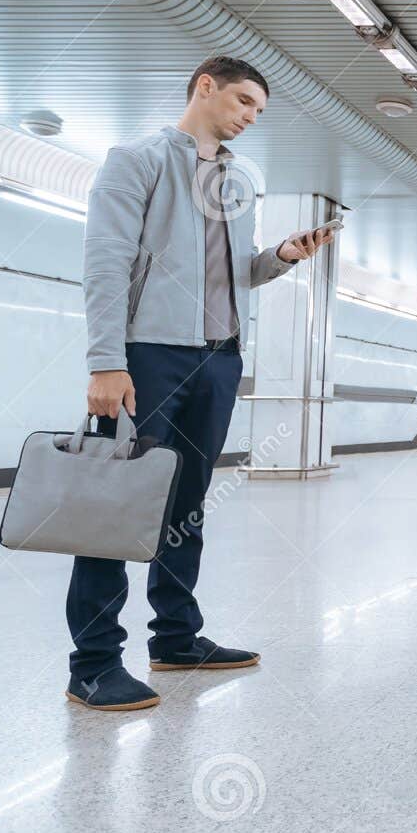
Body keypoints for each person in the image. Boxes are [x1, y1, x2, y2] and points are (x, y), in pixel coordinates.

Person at [65, 55, 335, 711]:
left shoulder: (236, 183)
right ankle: (94, 665)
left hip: (217, 359)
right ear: (204, 87)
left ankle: (176, 639)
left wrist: (279, 259)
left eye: (258, 112)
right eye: (243, 102)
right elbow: (106, 262)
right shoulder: (137, 160)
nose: (249, 118)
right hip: (148, 354)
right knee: (115, 506)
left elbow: (231, 273)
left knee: (186, 506)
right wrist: (107, 360)